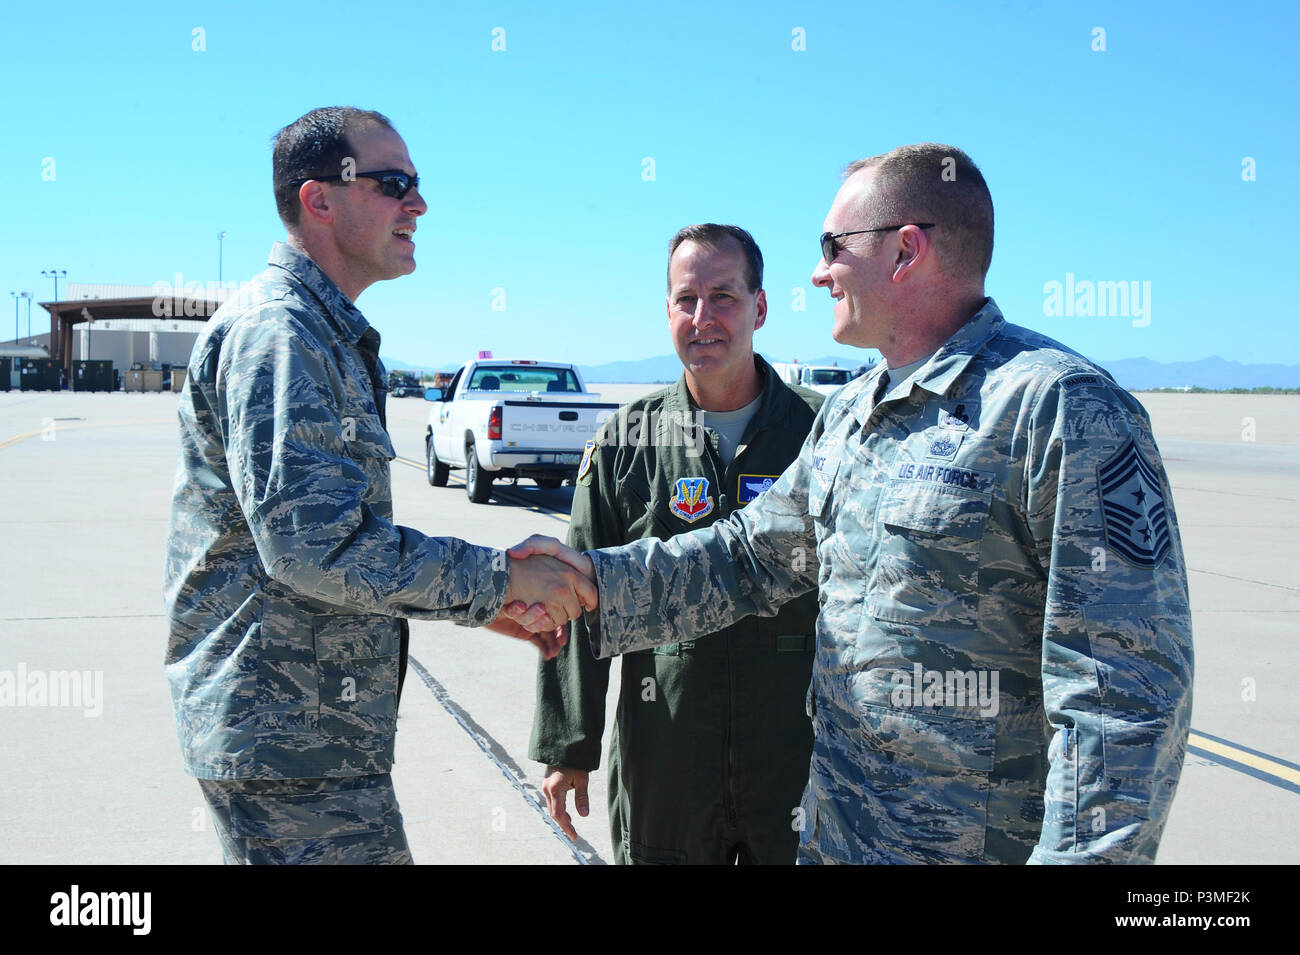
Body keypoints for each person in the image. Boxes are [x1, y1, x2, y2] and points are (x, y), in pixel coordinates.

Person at [509, 144, 1195, 864]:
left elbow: (1124, 700)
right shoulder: (849, 417)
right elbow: (746, 558)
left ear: (905, 251)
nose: (818, 271)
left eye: (834, 246)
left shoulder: (1057, 410)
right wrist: (583, 581)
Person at [163, 106, 590, 865]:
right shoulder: (281, 336)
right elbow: (315, 549)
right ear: (318, 200)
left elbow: (336, 548)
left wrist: (485, 607)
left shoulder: (321, 334)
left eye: (416, 186)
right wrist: (498, 580)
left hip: (310, 737)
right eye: (394, 184)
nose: (417, 205)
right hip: (289, 742)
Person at [530, 225, 823, 864]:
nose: (703, 318)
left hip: (795, 755)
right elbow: (571, 597)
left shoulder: (822, 433)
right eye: (686, 299)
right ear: (667, 312)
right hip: (665, 755)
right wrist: (568, 745)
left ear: (761, 307)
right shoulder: (625, 443)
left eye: (723, 296)